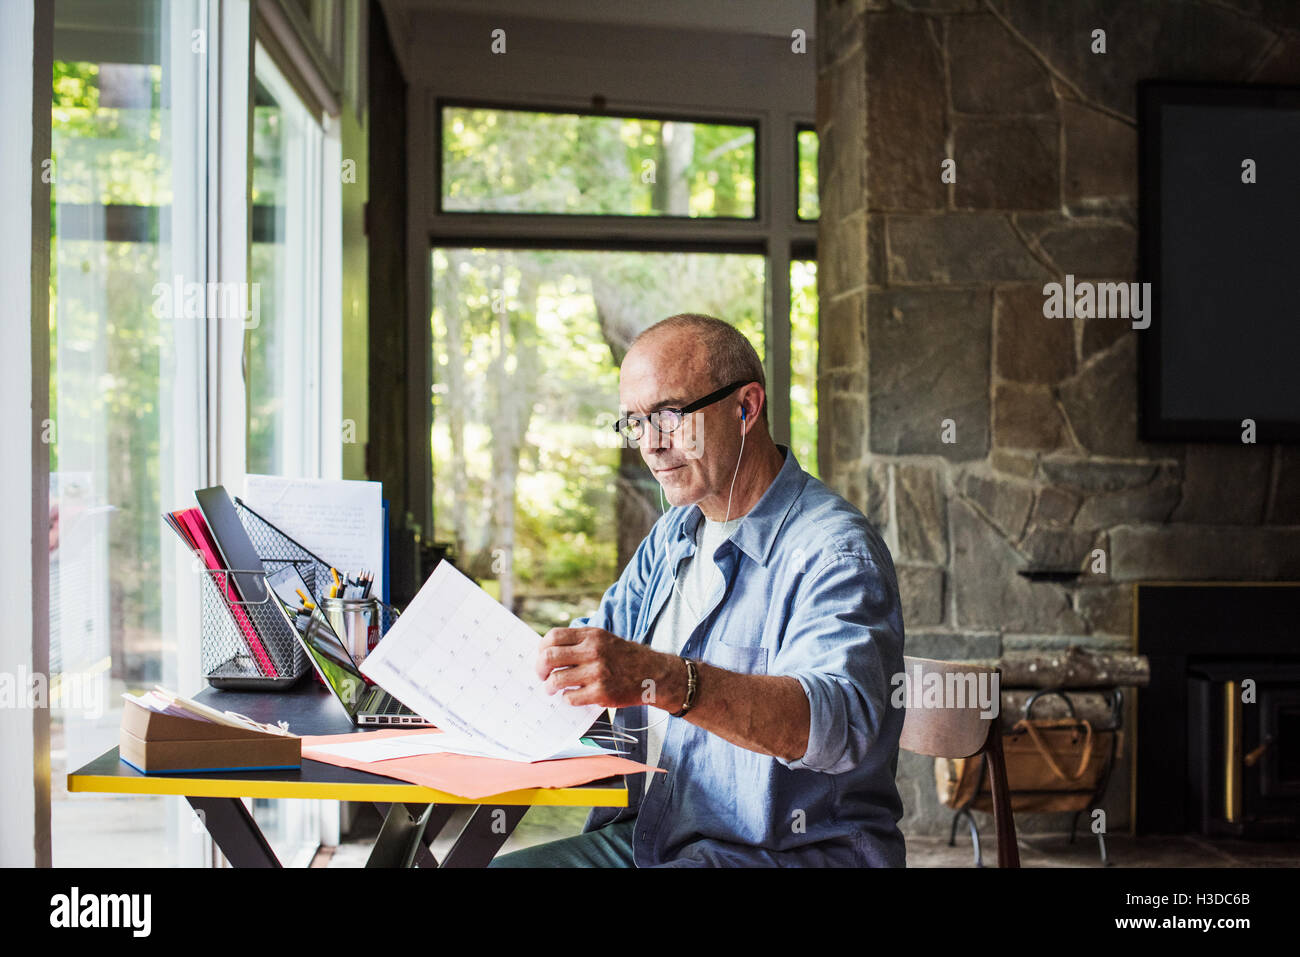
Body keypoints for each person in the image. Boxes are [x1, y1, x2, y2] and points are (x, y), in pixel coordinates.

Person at [490, 313, 906, 867]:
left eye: (667, 415)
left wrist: (665, 679)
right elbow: (601, 653)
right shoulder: (675, 532)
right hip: (655, 834)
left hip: (781, 854)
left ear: (746, 407)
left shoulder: (833, 552)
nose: (652, 446)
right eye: (634, 423)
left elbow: (836, 727)